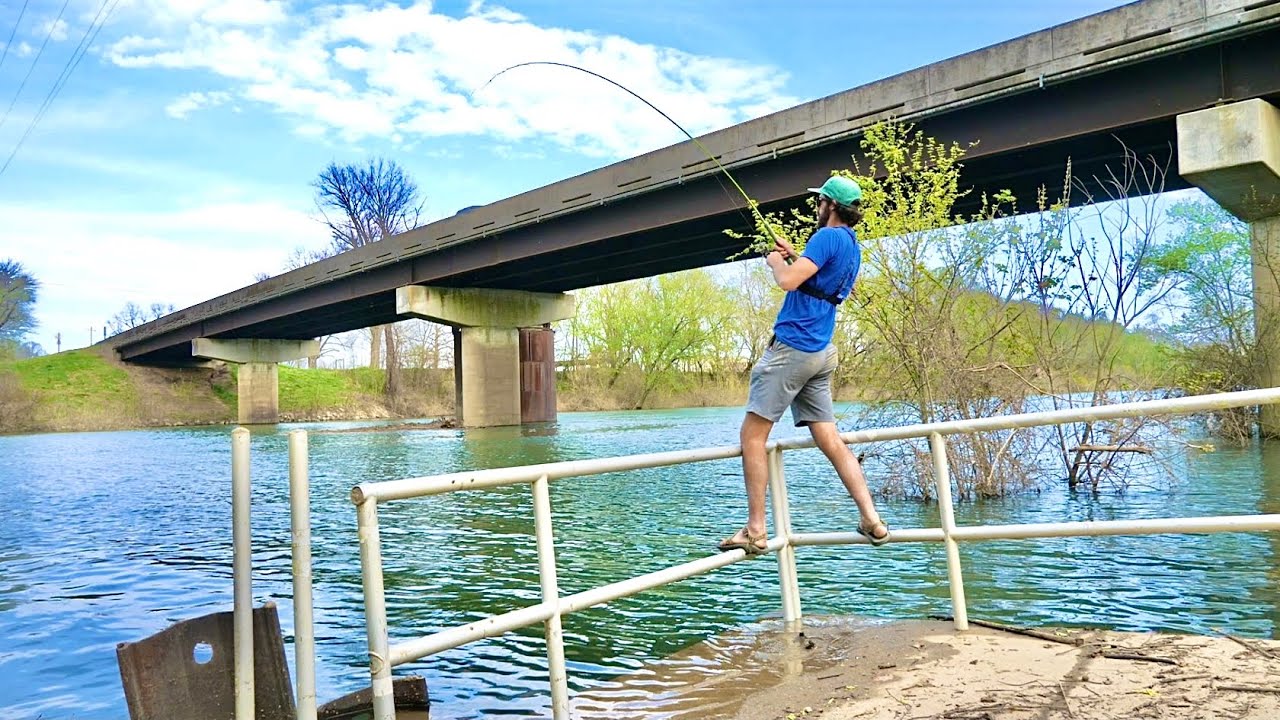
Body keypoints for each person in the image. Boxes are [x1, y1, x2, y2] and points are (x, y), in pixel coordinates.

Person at [718, 175, 891, 554]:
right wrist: (796, 254)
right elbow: (822, 281)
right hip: (821, 351)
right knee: (829, 438)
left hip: (793, 348)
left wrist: (776, 262)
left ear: (830, 205)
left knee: (752, 436)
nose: (816, 207)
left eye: (820, 202)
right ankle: (871, 519)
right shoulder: (851, 245)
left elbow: (789, 283)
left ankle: (755, 529)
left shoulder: (826, 237)